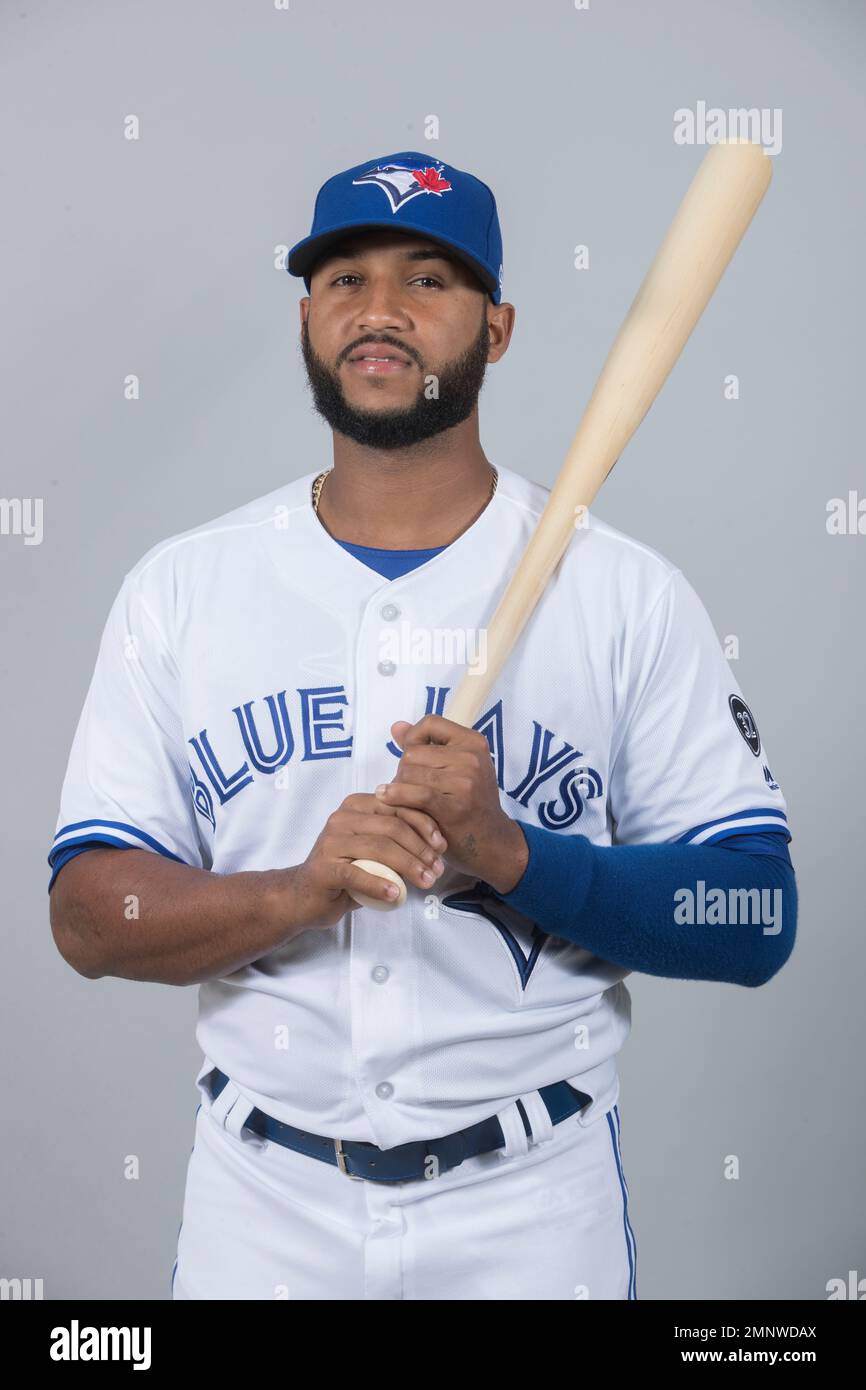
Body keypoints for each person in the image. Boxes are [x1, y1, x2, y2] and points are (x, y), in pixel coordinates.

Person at [48, 152, 797, 1301]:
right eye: (343, 278)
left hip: (532, 1207)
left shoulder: (623, 593)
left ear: (494, 331)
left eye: (427, 280)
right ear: (307, 317)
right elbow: (90, 916)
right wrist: (295, 890)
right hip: (264, 1207)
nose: (379, 310)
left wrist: (512, 855)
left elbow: (754, 915)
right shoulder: (182, 590)